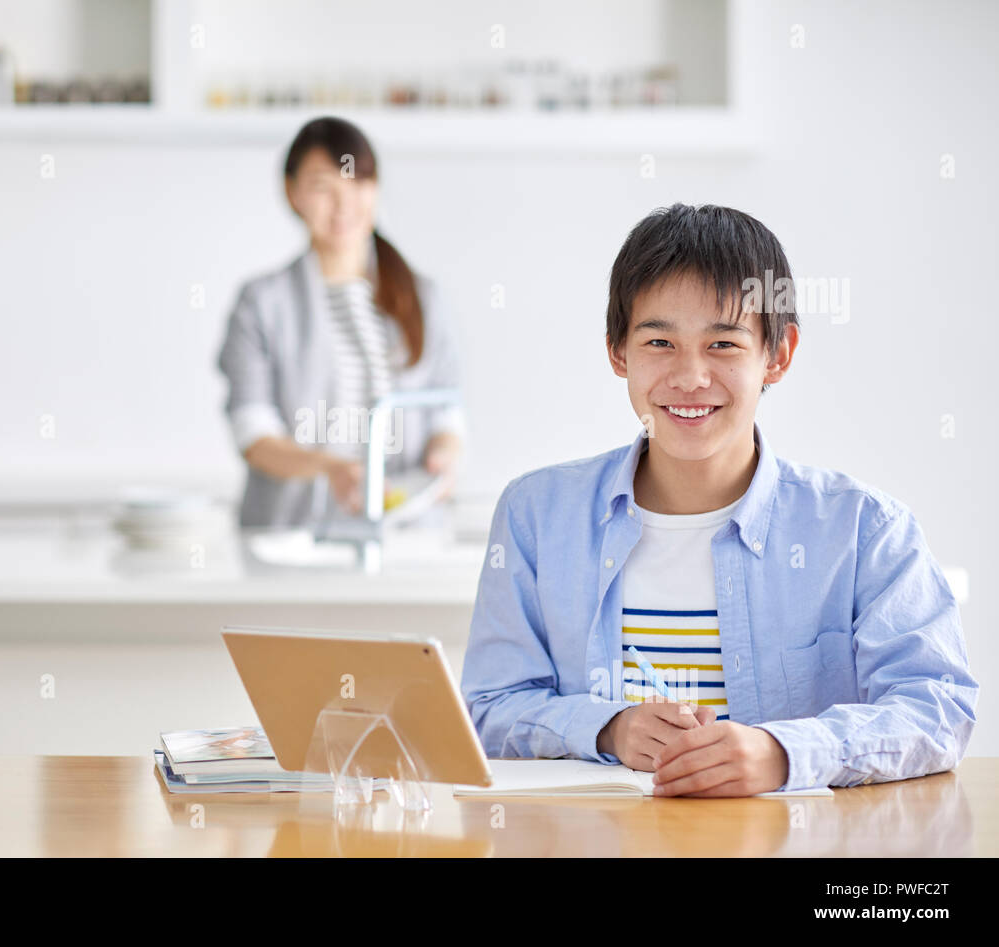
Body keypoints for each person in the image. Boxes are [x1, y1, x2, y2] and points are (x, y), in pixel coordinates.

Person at [460, 203, 977, 795]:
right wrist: (606, 728)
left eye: (724, 345)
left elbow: (938, 707)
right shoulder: (536, 514)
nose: (689, 377)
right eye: (659, 341)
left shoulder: (864, 529)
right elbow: (489, 707)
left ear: (777, 355)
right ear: (618, 352)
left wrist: (784, 752)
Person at [216, 116, 464, 529]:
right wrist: (331, 468)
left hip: (408, 537)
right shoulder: (261, 302)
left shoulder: (422, 295)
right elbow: (252, 432)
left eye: (356, 183)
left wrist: (445, 455)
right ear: (291, 192)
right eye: (321, 187)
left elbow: (447, 412)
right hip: (290, 539)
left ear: (376, 187)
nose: (343, 204)